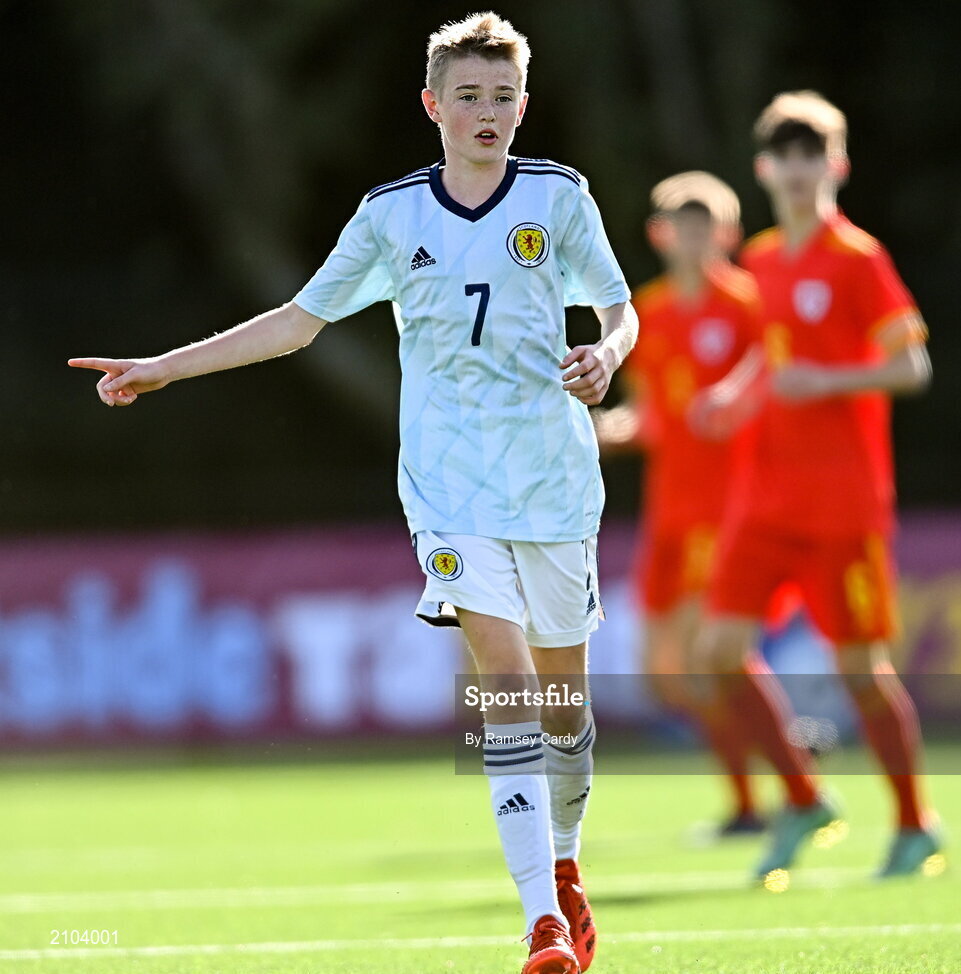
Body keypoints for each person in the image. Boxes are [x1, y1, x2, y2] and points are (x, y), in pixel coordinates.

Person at [69, 12, 637, 973]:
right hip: (449, 486)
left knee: (561, 707)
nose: (487, 113)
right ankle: (542, 920)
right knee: (503, 683)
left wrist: (607, 355)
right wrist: (167, 366)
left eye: (503, 97)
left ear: (523, 104)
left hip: (553, 478)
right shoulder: (391, 216)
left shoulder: (560, 198)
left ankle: (567, 864)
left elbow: (618, 306)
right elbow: (299, 321)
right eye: (468, 96)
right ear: (432, 106)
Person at [690, 90, 940, 881]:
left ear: (837, 165)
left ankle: (913, 825)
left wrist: (827, 380)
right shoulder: (761, 259)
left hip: (843, 503)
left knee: (863, 672)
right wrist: (737, 389)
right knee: (716, 651)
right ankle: (802, 798)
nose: (799, 172)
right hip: (765, 499)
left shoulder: (859, 258)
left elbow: (912, 366)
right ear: (765, 168)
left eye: (813, 156)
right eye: (785, 157)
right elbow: (772, 353)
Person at [594, 171, 768, 835]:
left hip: (728, 510)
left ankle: (761, 799)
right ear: (658, 235)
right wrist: (614, 427)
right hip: (669, 509)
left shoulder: (749, 304)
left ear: (727, 234)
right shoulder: (652, 310)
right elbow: (651, 412)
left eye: (705, 227)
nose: (692, 239)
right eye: (680, 227)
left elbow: (775, 388)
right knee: (662, 675)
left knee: (703, 657)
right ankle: (778, 757)